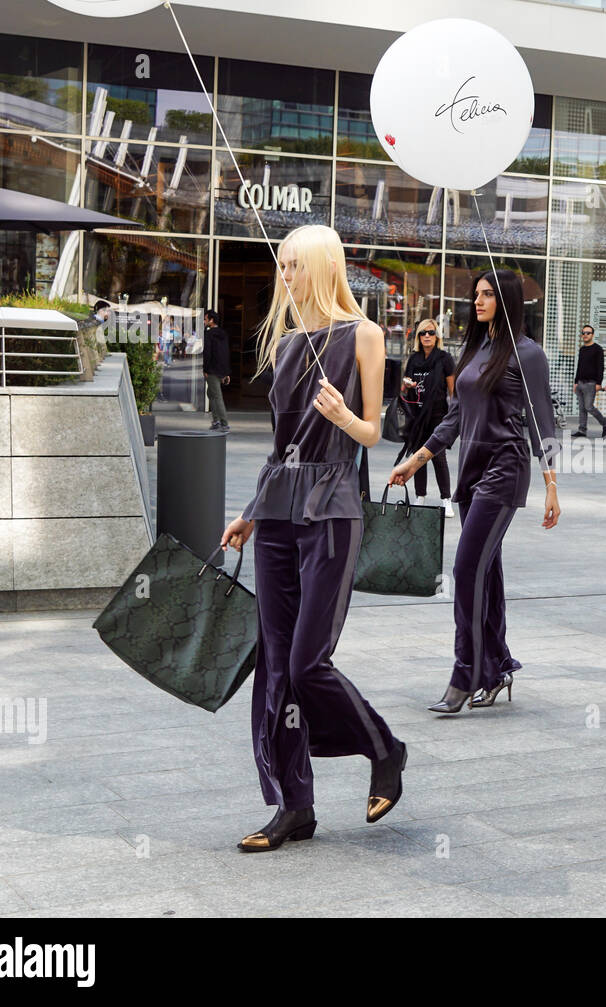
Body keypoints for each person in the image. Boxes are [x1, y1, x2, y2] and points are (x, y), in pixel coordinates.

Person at [219, 224, 405, 853]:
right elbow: (277, 449)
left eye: (294, 265)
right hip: (275, 515)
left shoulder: (365, 335)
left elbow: (375, 433)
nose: (285, 276)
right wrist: (249, 511)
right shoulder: (291, 343)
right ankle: (293, 805)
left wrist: (344, 416)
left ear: (325, 266)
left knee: (306, 661)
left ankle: (384, 749)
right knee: (274, 666)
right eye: (282, 266)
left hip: (332, 509)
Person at [389, 268, 561, 714]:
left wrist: (552, 485)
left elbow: (544, 420)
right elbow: (454, 418)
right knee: (488, 572)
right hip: (470, 472)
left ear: (506, 300)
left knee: (466, 571)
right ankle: (498, 665)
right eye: (477, 294)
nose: (478, 301)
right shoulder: (475, 349)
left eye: (488, 294)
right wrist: (417, 459)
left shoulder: (529, 355)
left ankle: (465, 672)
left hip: (505, 470)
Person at [401, 319, 456, 515]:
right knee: (418, 456)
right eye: (423, 333)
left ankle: (446, 499)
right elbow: (404, 386)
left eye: (431, 333)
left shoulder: (444, 359)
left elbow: (453, 391)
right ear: (418, 336)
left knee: (438, 457)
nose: (426, 336)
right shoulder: (414, 359)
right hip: (417, 415)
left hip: (438, 415)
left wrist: (454, 418)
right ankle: (420, 496)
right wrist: (407, 384)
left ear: (437, 336)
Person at [572, 323, 606, 439]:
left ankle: (605, 423)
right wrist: (575, 382)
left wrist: (599, 383)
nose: (585, 335)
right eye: (583, 333)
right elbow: (579, 366)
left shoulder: (598, 349)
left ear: (592, 335)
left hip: (591, 383)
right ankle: (582, 430)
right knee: (582, 408)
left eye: (588, 333)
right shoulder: (582, 349)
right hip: (580, 382)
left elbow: (600, 367)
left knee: (589, 407)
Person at [202, 309, 231, 432]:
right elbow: (226, 354)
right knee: (211, 394)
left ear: (211, 320)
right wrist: (226, 372)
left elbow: (207, 353)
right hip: (221, 369)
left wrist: (205, 369)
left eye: (205, 319)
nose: (204, 321)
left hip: (212, 370)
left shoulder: (209, 334)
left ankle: (223, 423)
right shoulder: (223, 334)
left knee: (217, 396)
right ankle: (216, 420)